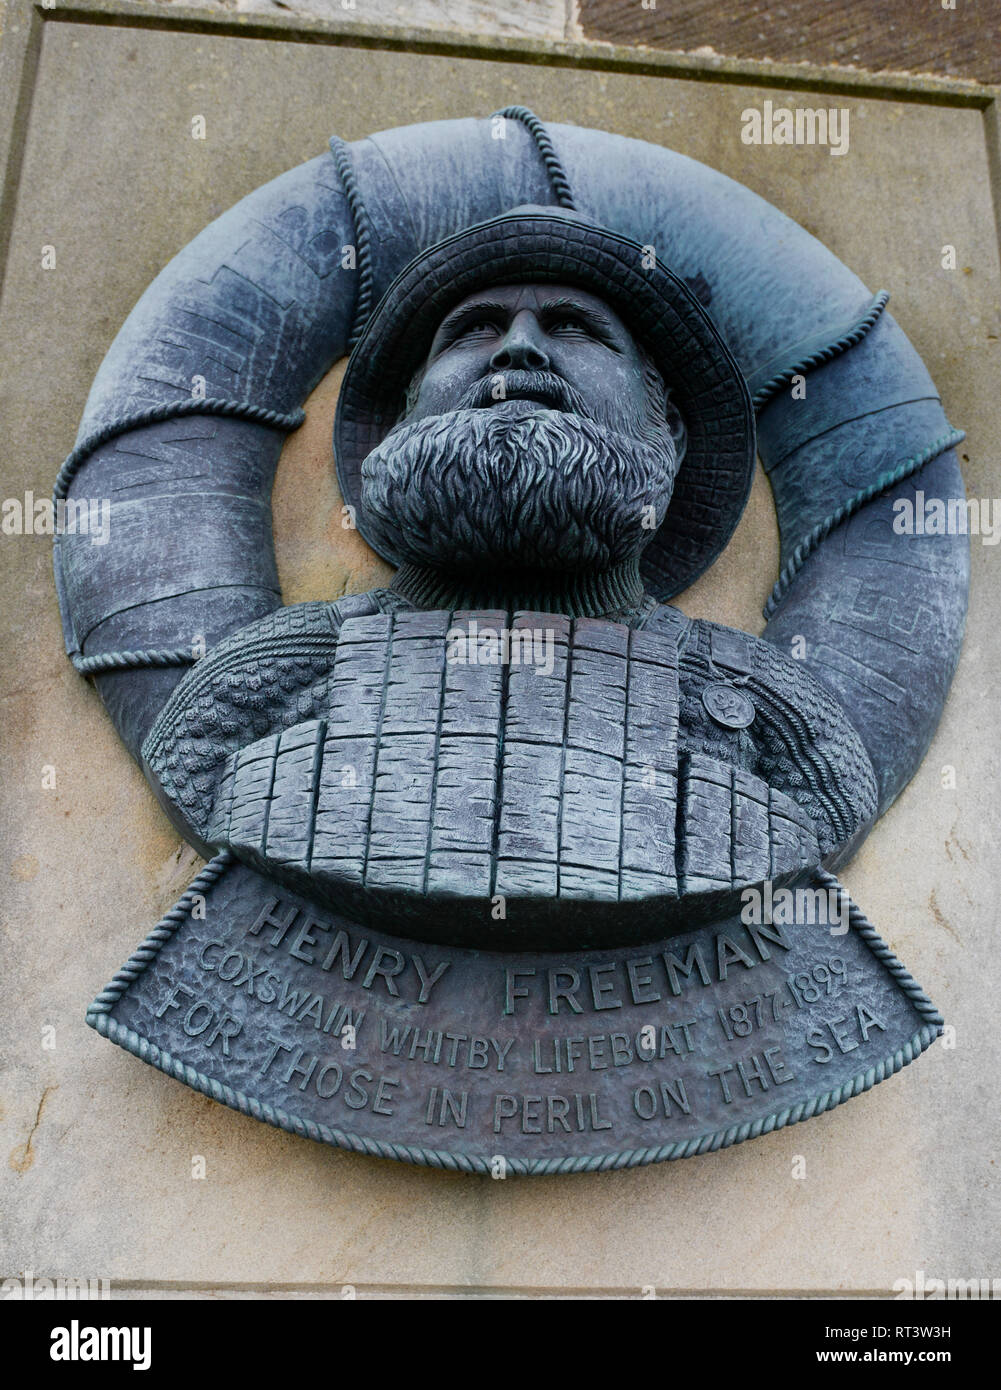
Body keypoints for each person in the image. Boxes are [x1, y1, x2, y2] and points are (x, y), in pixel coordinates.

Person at [141, 206, 876, 943]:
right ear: (404, 421)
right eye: (473, 330)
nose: (518, 352)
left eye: (573, 327)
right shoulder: (265, 683)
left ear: (670, 431)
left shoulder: (769, 710)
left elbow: (821, 820)